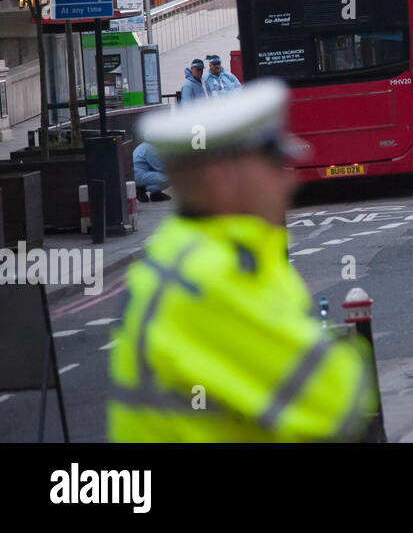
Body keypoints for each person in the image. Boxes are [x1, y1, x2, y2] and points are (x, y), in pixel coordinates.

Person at [107, 79, 377, 441]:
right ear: (223, 178)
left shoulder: (195, 256)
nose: (290, 181)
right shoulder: (209, 279)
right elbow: (336, 400)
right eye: (275, 165)